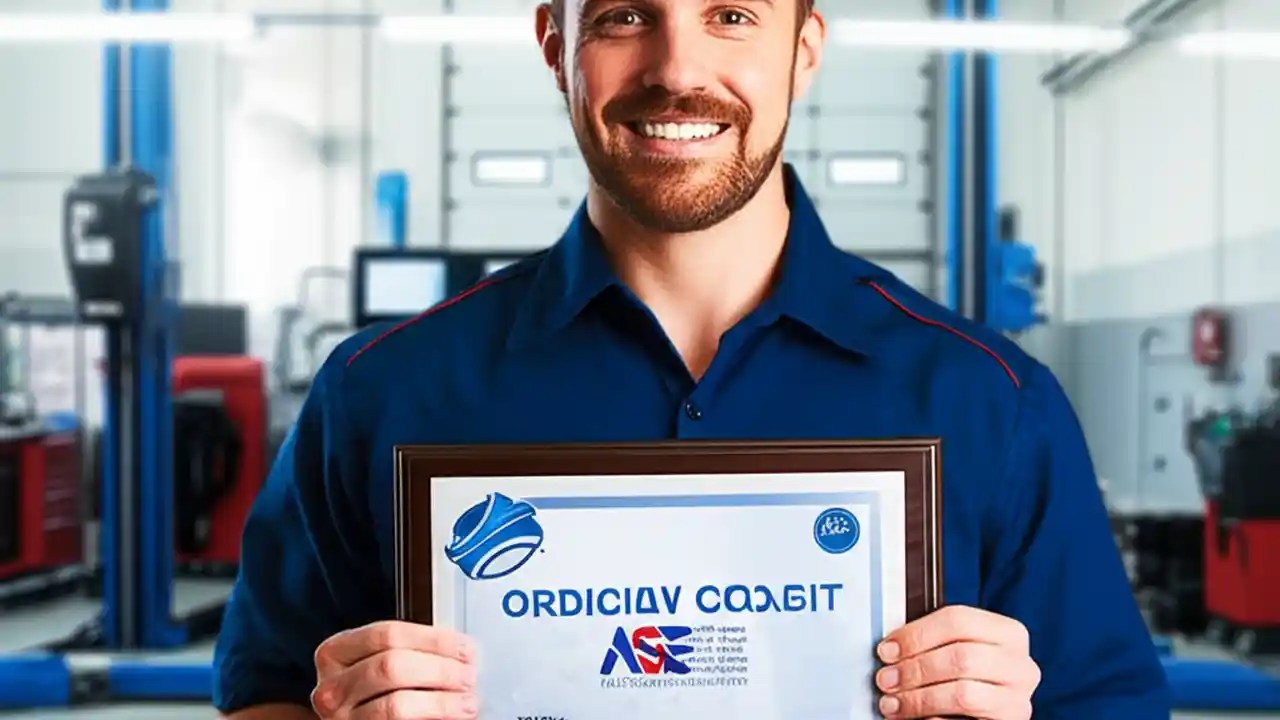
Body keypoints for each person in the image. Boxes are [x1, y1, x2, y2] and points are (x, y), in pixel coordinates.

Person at [213, 0, 1171, 718]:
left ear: (803, 49)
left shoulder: (990, 402)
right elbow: (262, 691)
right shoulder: (382, 394)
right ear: (557, 47)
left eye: (730, 16)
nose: (678, 69)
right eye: (628, 16)